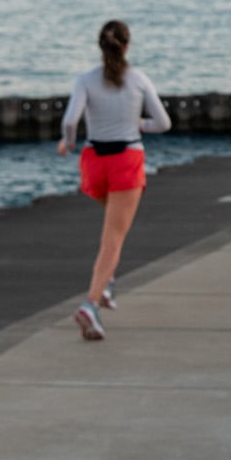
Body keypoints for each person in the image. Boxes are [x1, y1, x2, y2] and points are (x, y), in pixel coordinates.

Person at [58, 19, 171, 341]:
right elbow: (163, 123)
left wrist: (68, 142)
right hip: (125, 160)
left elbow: (70, 121)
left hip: (94, 162)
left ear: (100, 47)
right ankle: (90, 305)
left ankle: (105, 285)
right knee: (113, 239)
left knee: (112, 228)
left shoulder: (85, 80)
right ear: (127, 46)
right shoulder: (137, 79)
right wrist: (140, 124)